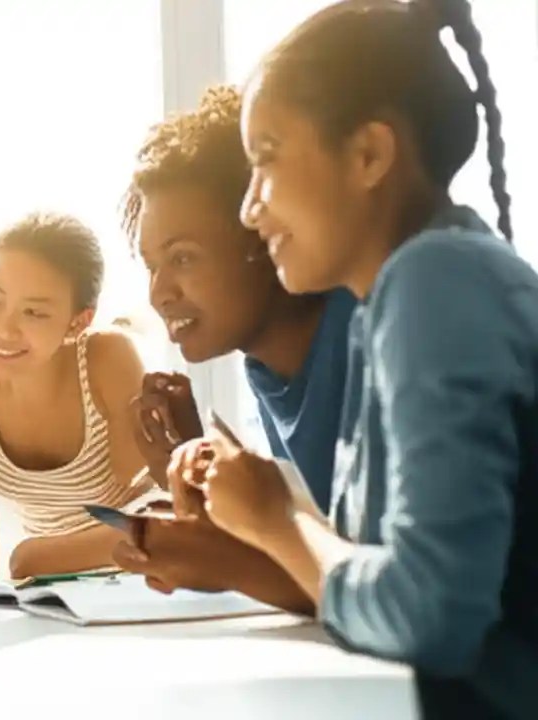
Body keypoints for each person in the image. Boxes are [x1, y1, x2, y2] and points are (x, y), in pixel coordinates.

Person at [177, 2, 535, 717]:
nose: (249, 208)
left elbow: (430, 615)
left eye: (267, 159)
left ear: (369, 154)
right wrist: (250, 521)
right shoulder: (404, 297)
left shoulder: (432, 282)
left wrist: (277, 519)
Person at [110, 86, 353, 608]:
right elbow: (333, 554)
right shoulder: (269, 367)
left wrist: (229, 565)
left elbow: (399, 595)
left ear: (264, 229)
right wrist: (196, 478)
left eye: (183, 258)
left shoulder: (364, 328)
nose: (158, 293)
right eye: (152, 266)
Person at [0, 213, 153, 588]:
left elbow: (145, 487)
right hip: (58, 582)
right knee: (25, 560)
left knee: (26, 558)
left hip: (143, 555)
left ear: (77, 322)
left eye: (33, 312)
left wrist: (44, 558)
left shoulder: (107, 357)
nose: (3, 328)